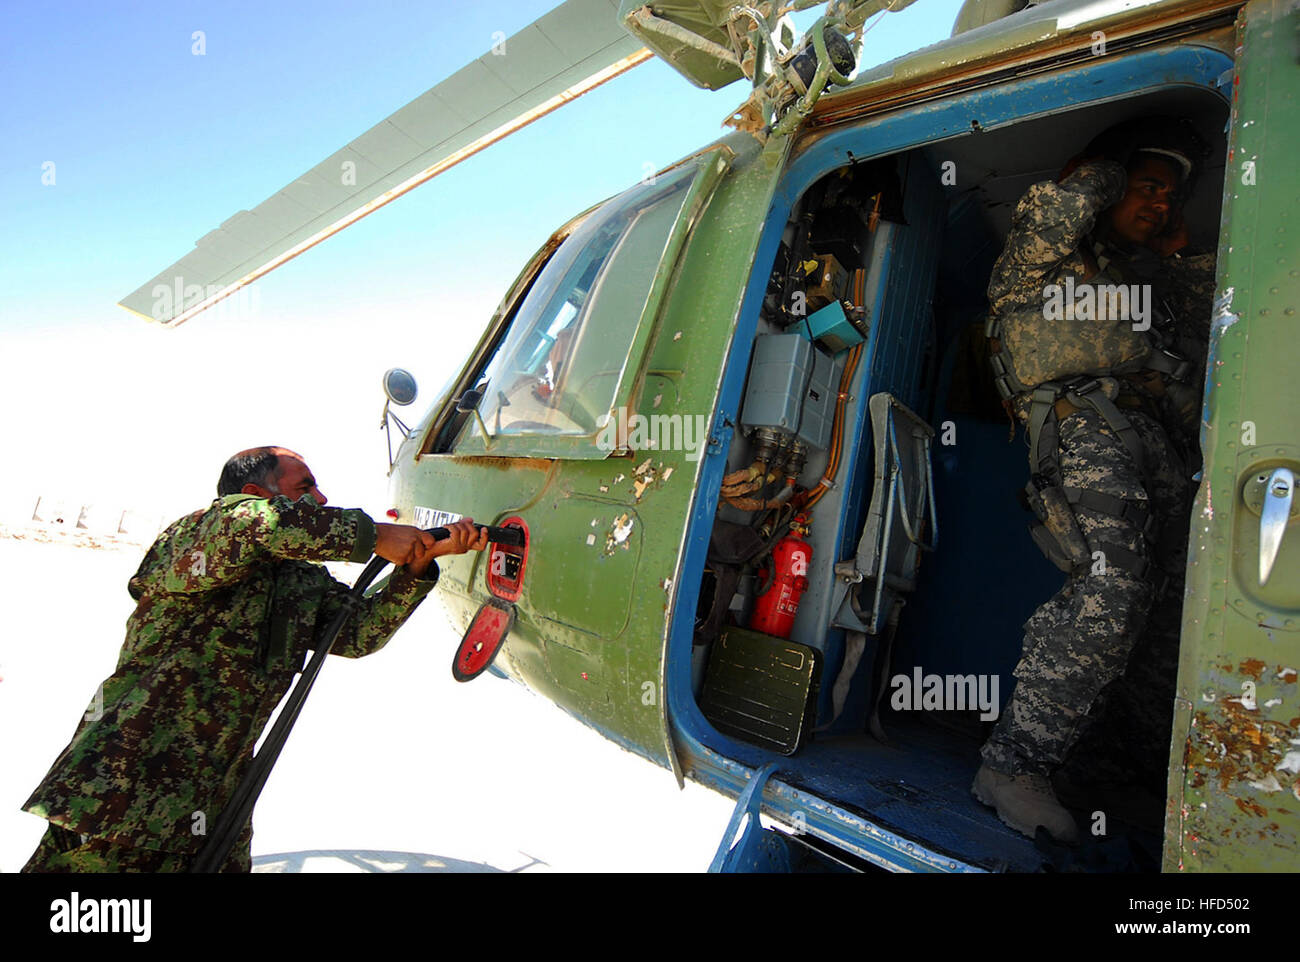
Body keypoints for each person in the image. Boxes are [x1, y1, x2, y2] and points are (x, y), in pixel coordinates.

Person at [21, 446, 488, 871]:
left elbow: (357, 632)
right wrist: (374, 536)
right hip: (123, 786)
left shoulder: (300, 578)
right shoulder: (200, 534)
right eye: (305, 487)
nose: (322, 499)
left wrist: (417, 565)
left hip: (217, 796)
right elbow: (253, 526)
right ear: (252, 493)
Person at [975, 117, 1216, 842]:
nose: (1161, 205)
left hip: (1161, 443)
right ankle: (1013, 763)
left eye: (1171, 197)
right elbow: (1058, 208)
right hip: (1084, 425)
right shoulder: (1042, 265)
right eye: (1150, 190)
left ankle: (1130, 760)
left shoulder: (1142, 283)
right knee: (1112, 586)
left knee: (1178, 606)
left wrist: (1180, 259)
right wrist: (1108, 172)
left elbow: (1207, 338)